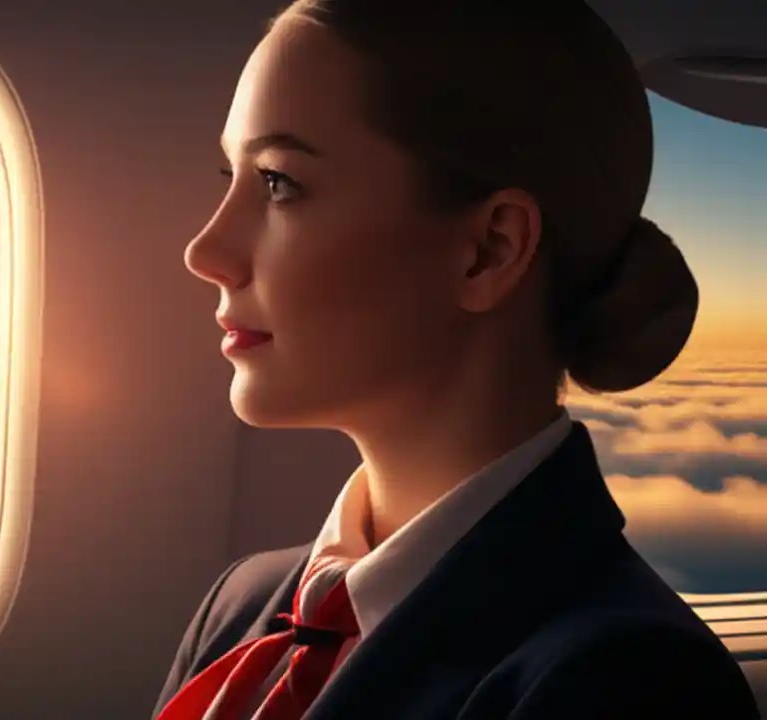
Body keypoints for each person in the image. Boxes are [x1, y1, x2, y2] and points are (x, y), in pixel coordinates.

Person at [154, 1, 762, 718]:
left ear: (489, 251)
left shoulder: (628, 683)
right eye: (229, 177)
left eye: (279, 183)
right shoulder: (242, 604)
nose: (204, 253)